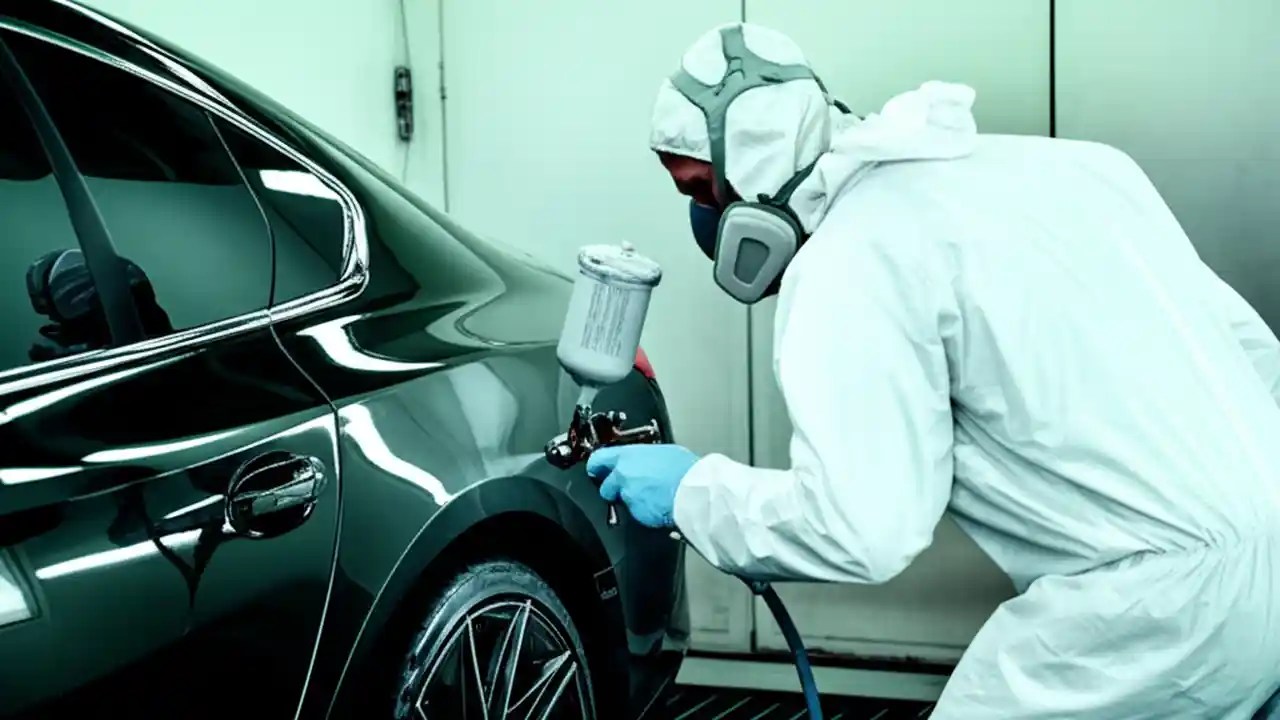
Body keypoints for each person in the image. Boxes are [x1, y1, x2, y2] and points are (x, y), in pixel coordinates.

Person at [588, 22, 1280, 720]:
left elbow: (864, 529)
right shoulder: (1083, 168)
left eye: (703, 192)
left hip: (1154, 611)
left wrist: (694, 492)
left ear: (757, 165)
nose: (705, 222)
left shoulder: (854, 259)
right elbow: (1256, 356)